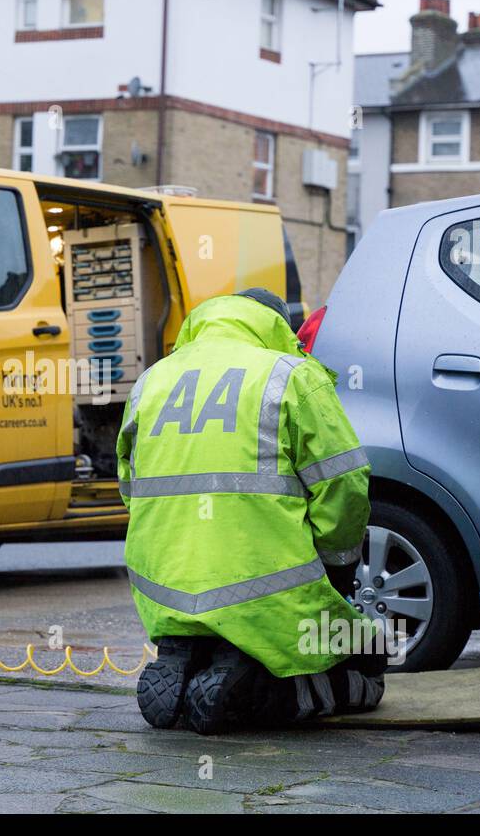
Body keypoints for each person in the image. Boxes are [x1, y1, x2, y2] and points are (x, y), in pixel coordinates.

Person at [119, 288, 386, 734]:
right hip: (267, 595)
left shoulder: (153, 380)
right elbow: (344, 485)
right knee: (371, 661)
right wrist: (337, 564)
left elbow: (130, 486)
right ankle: (248, 685)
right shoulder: (291, 376)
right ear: (280, 327)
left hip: (165, 591)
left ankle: (190, 651)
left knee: (225, 624)